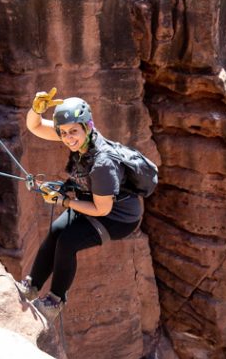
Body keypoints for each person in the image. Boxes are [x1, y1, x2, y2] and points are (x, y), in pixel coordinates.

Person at [18, 90, 144, 324]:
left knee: (68, 242)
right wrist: (36, 110)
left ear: (87, 127)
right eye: (63, 133)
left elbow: (102, 210)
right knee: (57, 230)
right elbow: (35, 127)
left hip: (119, 218)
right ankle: (32, 285)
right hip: (97, 201)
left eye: (73, 131)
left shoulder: (102, 162)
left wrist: (64, 201)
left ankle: (55, 301)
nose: (68, 138)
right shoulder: (81, 140)